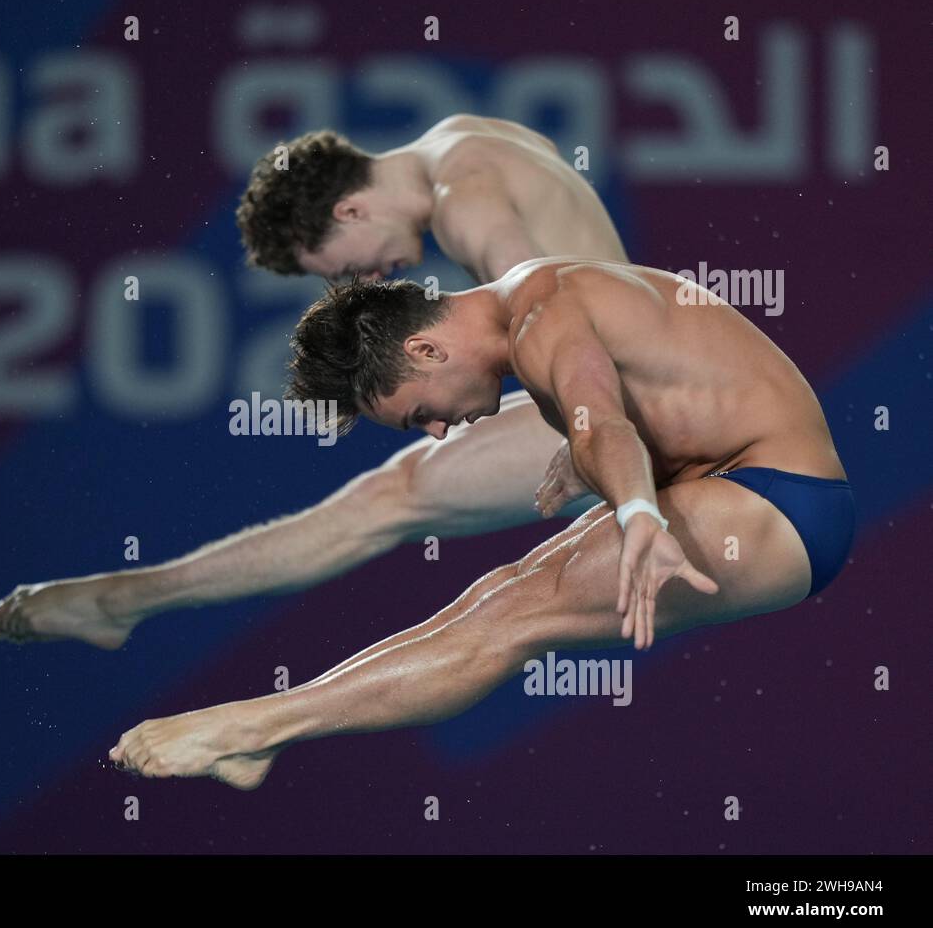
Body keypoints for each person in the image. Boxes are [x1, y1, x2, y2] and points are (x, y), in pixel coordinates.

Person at [105, 259, 854, 789]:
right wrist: (590, 452)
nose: (436, 433)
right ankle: (264, 728)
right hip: (743, 485)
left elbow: (605, 428)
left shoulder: (539, 315)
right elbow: (643, 404)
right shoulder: (529, 299)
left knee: (511, 618)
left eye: (419, 413)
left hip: (781, 502)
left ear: (425, 348)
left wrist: (635, 510)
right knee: (495, 595)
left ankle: (253, 729)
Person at [0, 116, 625, 646]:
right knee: (392, 495)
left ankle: (124, 599)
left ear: (349, 208)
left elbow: (556, 318)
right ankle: (126, 599)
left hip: (620, 397)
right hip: (628, 380)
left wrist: (587, 436)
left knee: (386, 502)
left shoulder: (465, 203)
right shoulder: (467, 137)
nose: (370, 282)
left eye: (350, 267)